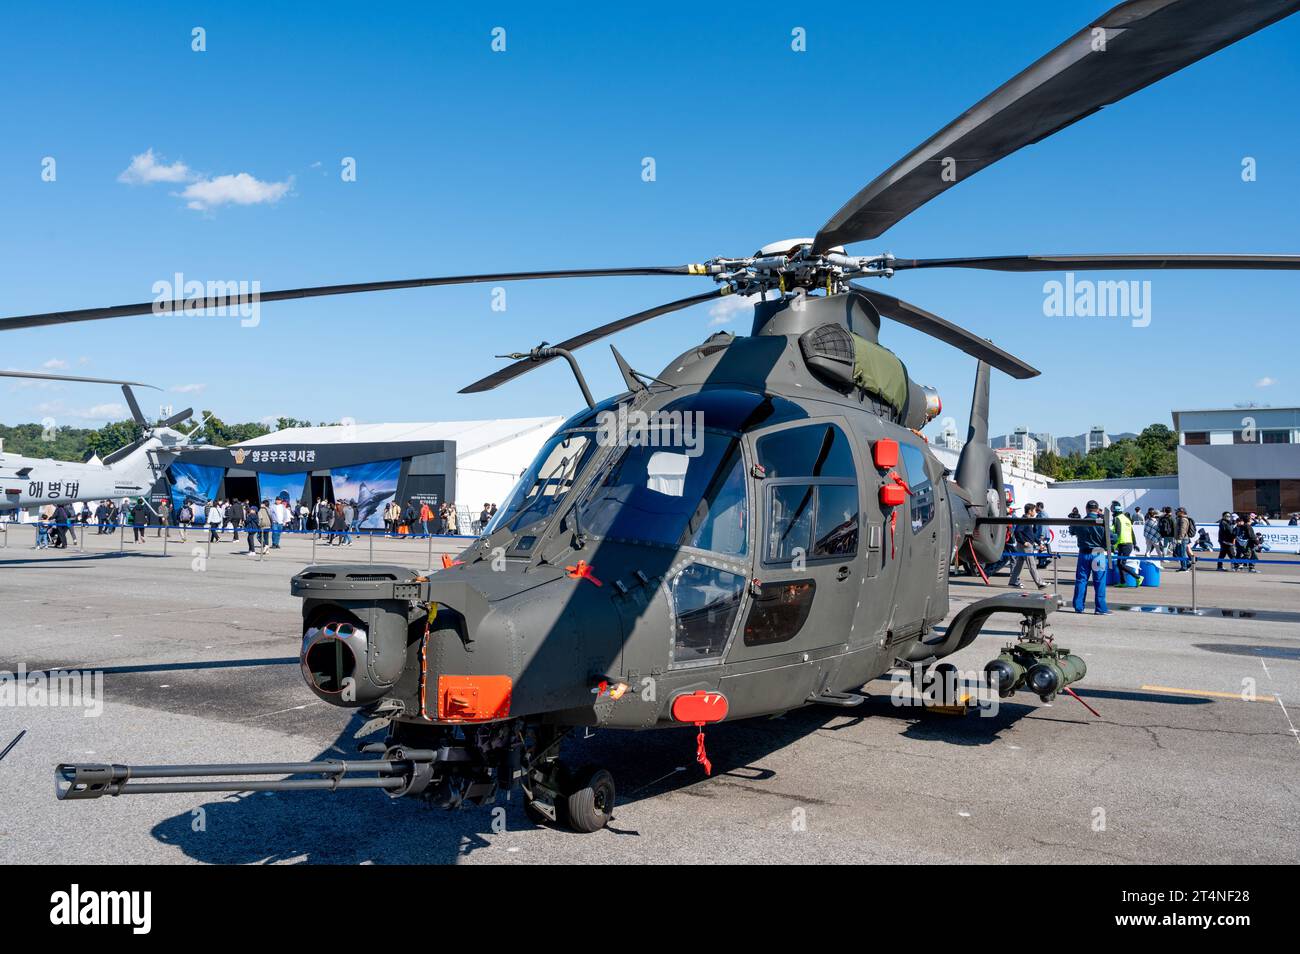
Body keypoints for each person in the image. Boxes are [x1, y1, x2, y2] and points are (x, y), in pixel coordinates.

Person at [1068, 500, 1110, 615]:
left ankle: (1078, 606)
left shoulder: (1081, 522)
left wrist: (1074, 519)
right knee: (1099, 581)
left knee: (1081, 580)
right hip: (1098, 553)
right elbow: (1112, 538)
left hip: (1084, 553)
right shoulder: (1102, 522)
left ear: (1086, 509)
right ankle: (1100, 608)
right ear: (1097, 509)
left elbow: (1071, 531)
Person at [1008, 503, 1045, 589]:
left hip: (1023, 546)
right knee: (1032, 565)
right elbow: (1017, 531)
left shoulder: (1026, 520)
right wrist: (1023, 542)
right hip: (1026, 547)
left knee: (1018, 565)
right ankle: (1039, 583)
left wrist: (1039, 542)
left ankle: (1013, 581)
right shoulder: (1024, 520)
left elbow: (1031, 535)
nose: (1035, 512)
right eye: (1034, 510)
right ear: (1030, 511)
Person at [1110, 501, 1141, 585]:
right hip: (1127, 544)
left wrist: (1113, 545)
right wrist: (1135, 543)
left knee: (1120, 564)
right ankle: (1123, 582)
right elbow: (1132, 532)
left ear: (1114, 510)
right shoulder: (1126, 518)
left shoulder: (1117, 518)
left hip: (1123, 543)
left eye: (1112, 508)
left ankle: (1137, 577)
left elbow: (1118, 533)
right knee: (1120, 563)